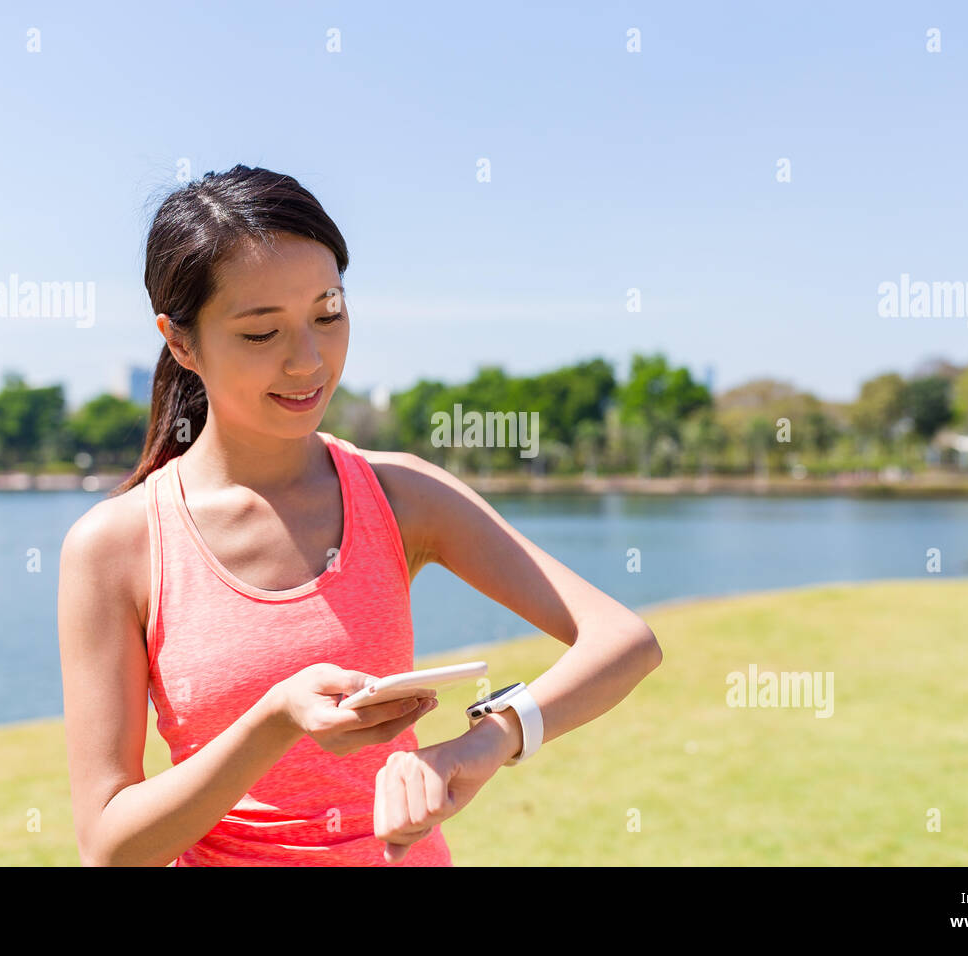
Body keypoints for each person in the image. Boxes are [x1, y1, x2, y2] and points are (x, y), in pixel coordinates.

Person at [56, 164, 663, 866]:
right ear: (181, 341)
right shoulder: (118, 546)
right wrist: (276, 720)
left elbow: (624, 640)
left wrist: (486, 741)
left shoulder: (399, 494)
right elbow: (108, 849)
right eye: (262, 334)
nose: (308, 361)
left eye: (328, 313)